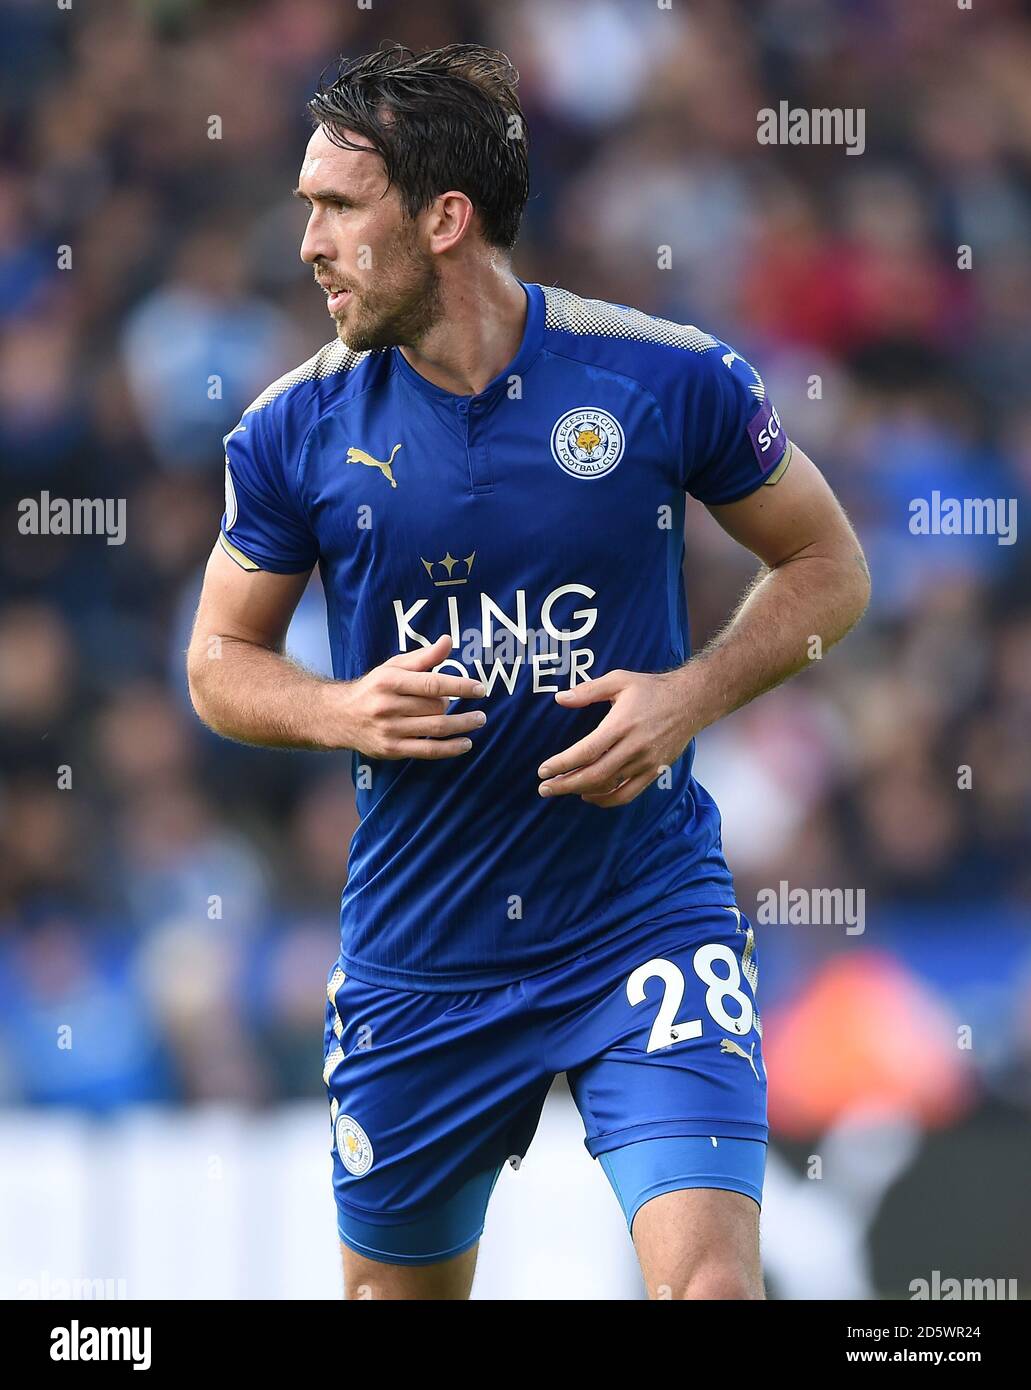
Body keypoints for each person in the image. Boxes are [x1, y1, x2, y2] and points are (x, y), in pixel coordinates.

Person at [186, 42, 870, 1300]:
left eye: (337, 208)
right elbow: (217, 661)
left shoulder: (664, 376)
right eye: (305, 211)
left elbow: (830, 567)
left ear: (444, 219)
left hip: (639, 918)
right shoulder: (291, 428)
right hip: (422, 953)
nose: (309, 246)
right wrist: (337, 706)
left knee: (712, 1289)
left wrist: (688, 694)